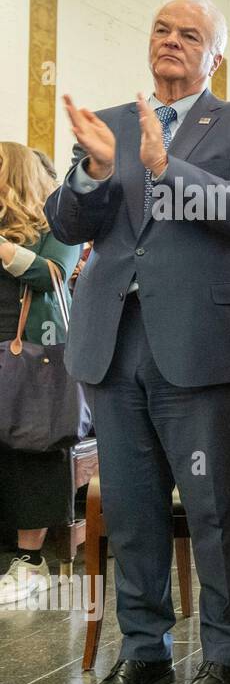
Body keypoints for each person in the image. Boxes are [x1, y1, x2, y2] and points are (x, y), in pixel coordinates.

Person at [48, 0, 230, 684]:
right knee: (133, 510)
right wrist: (90, 172)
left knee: (212, 510)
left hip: (201, 347)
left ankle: (222, 655)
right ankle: (143, 654)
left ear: (216, 56)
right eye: (161, 29)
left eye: (190, 35)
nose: (171, 42)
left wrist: (162, 166)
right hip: (114, 344)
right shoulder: (108, 124)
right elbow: (66, 219)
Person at [0, 142, 81, 605]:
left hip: (32, 349)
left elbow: (53, 273)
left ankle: (31, 563)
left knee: (31, 446)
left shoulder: (58, 222)